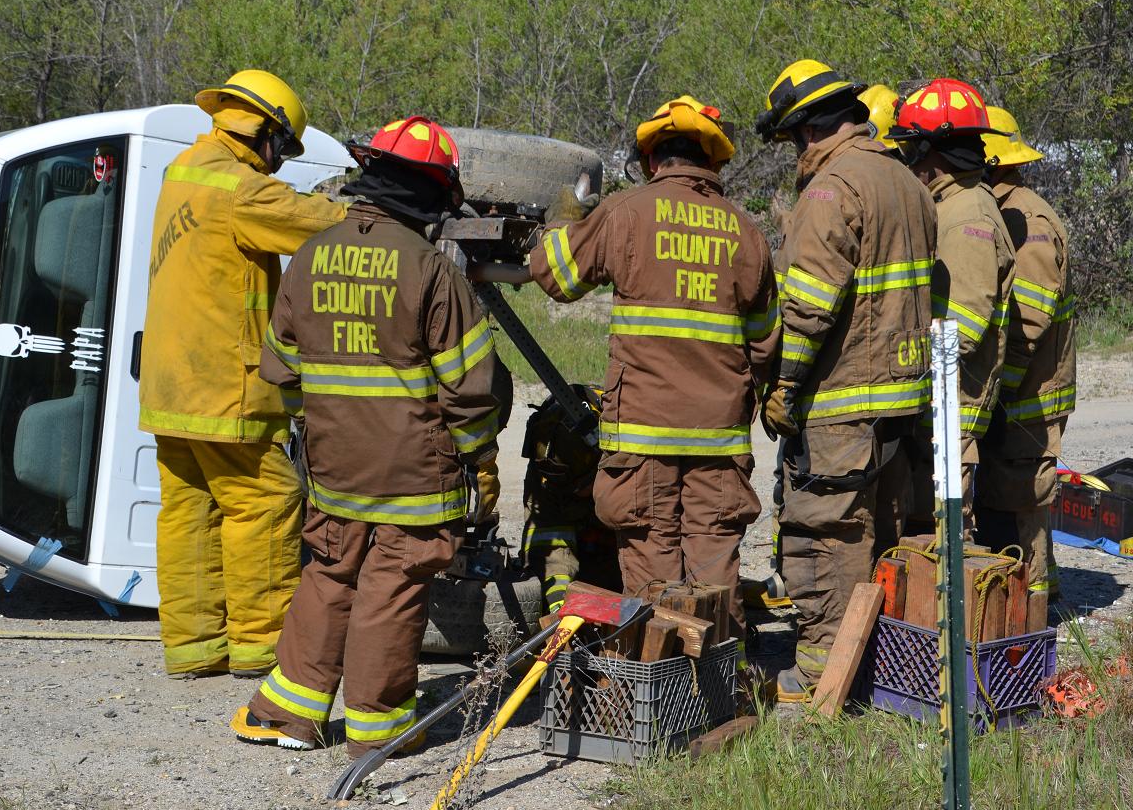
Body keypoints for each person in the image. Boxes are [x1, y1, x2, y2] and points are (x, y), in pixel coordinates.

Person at [231, 117, 501, 754]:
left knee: (330, 573)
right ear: (430, 191)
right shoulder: (432, 271)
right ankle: (378, 728)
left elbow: (281, 368)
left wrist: (319, 426)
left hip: (333, 466)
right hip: (413, 474)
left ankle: (284, 713)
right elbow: (470, 390)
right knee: (391, 587)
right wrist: (480, 460)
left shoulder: (311, 256)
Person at [484, 96, 777, 644]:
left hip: (643, 433)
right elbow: (765, 343)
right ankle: (718, 673)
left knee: (650, 553)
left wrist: (564, 221)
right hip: (719, 435)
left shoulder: (628, 212)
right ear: (713, 161)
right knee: (714, 552)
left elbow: (556, 277)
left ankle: (658, 681)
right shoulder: (747, 232)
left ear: (650, 159)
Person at [139, 69, 346, 679]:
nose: (281, 163)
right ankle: (260, 648)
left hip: (171, 385)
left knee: (190, 510)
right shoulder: (243, 189)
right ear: (266, 134)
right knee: (268, 501)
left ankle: (195, 647)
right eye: (284, 149)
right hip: (224, 388)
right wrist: (372, 211)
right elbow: (322, 225)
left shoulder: (184, 170)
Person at [755, 60, 936, 701]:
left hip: (841, 401)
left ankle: (820, 676)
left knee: (826, 534)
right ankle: (884, 665)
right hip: (901, 401)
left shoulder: (830, 191)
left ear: (808, 132)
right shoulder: (908, 182)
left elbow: (807, 308)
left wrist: (785, 390)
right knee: (885, 531)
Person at [886, 78, 1016, 531]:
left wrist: (899, 357)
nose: (906, 162)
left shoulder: (967, 217)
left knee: (944, 540)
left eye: (910, 150)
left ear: (932, 152)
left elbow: (963, 327)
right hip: (936, 406)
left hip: (950, 409)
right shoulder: (951, 204)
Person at [976, 105, 1076, 611]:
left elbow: (1028, 324)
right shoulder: (1001, 208)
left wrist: (994, 391)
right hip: (1018, 392)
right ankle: (1040, 592)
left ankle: (1029, 615)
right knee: (1014, 497)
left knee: (1021, 499)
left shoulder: (1027, 221)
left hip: (1027, 396)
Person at [519, 385, 620, 612]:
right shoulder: (547, 473)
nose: (568, 494)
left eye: (576, 488)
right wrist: (559, 607)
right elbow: (550, 544)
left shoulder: (622, 462)